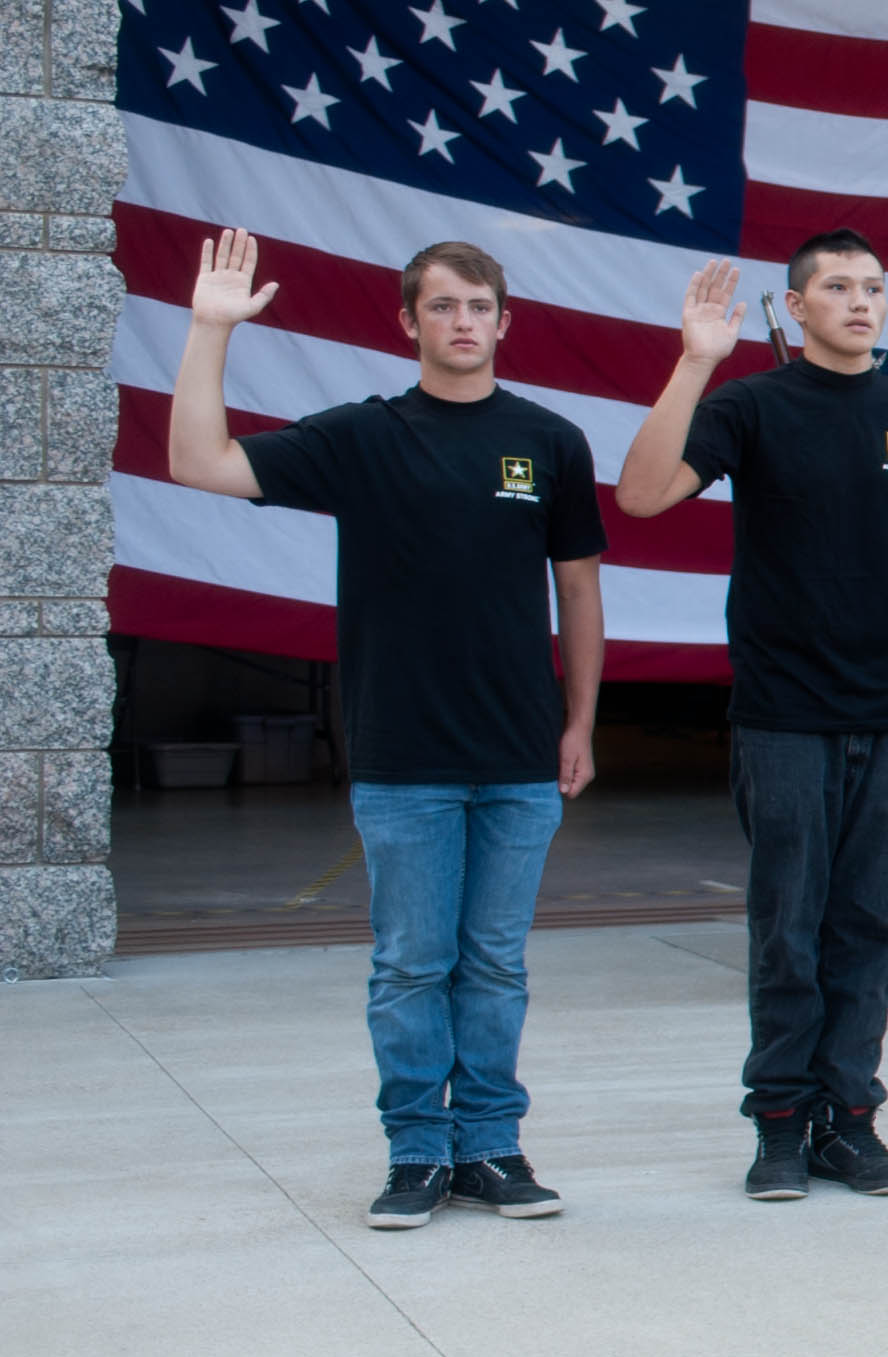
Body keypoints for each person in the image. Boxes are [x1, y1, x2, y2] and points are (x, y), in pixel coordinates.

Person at [164, 229, 603, 1231]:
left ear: (504, 321)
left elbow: (577, 590)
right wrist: (207, 330)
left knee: (494, 963)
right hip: (405, 756)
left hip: (519, 756)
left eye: (479, 307)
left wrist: (578, 719)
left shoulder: (548, 441)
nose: (463, 323)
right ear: (407, 322)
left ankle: (490, 1146)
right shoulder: (362, 437)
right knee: (411, 963)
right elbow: (199, 460)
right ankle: (416, 1151)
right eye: (443, 306)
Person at [619, 233, 888, 1202]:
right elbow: (642, 494)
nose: (861, 302)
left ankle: (848, 1121)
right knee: (789, 927)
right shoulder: (750, 407)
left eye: (874, 287)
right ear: (796, 307)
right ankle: (779, 1120)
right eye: (838, 288)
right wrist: (695, 361)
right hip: (783, 714)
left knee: (872, 928)